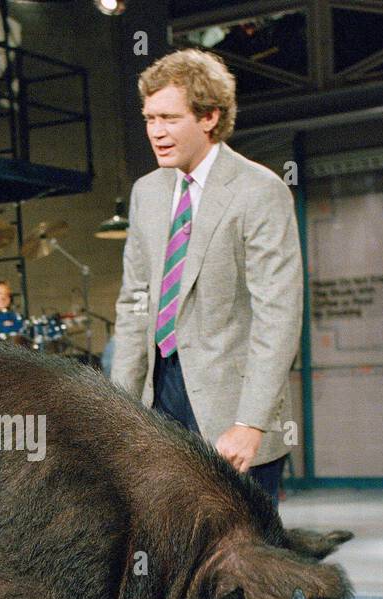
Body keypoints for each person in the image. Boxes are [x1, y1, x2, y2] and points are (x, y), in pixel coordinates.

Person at [110, 49, 301, 505]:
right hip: (159, 403)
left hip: (231, 412)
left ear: (210, 117)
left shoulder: (260, 191)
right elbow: (134, 301)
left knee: (240, 563)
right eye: (149, 118)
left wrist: (250, 423)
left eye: (169, 118)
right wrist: (116, 410)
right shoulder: (147, 193)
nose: (156, 131)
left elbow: (278, 314)